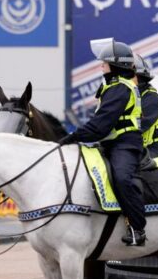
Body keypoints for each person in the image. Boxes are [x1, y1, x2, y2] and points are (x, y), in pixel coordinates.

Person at [59, 38, 147, 246]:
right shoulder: (111, 87)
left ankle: (137, 228)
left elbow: (101, 125)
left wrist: (74, 136)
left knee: (122, 178)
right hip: (110, 143)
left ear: (115, 65)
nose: (101, 66)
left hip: (125, 144)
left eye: (104, 63)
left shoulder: (120, 88)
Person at [133, 54, 158, 158]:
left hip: (149, 150)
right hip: (133, 147)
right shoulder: (132, 95)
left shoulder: (151, 98)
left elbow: (139, 127)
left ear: (138, 77)